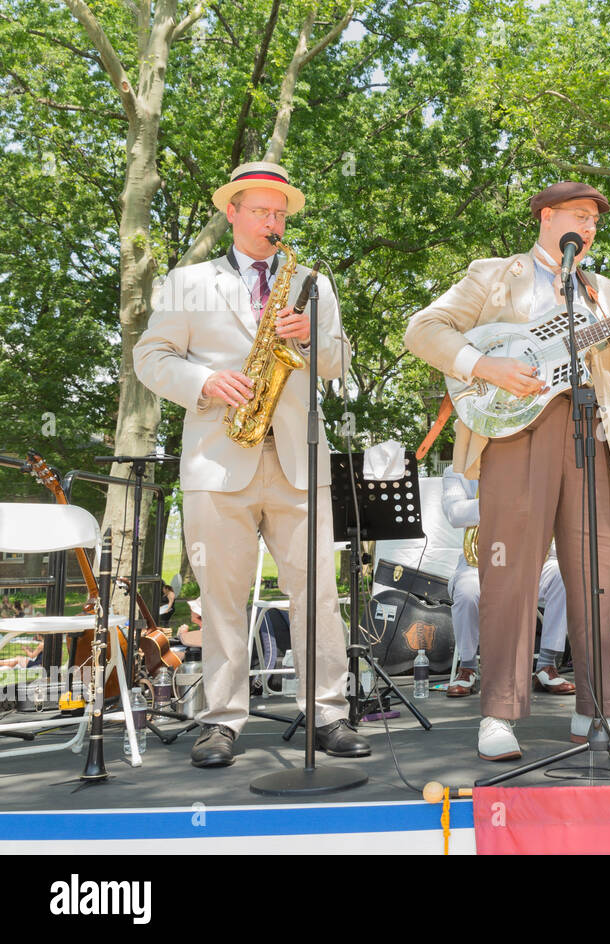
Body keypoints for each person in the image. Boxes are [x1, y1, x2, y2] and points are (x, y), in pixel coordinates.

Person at [405, 181, 610, 761]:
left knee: (596, 575)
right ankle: (499, 714)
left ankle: (598, 713)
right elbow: (423, 330)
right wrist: (486, 366)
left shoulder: (602, 289)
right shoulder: (493, 274)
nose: (588, 227)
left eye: (595, 221)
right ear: (546, 215)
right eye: (579, 215)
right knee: (509, 574)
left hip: (590, 434)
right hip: (514, 434)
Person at [134, 161, 369, 768]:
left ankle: (329, 714)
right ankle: (220, 721)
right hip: (219, 459)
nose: (272, 222)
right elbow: (150, 358)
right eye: (260, 211)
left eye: (280, 213)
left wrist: (310, 336)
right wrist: (206, 380)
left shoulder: (312, 282)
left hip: (298, 462)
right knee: (222, 598)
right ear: (232, 212)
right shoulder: (187, 281)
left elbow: (339, 360)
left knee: (317, 595)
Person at [440, 467, 575, 697]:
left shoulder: (531, 463)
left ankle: (546, 664)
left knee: (563, 576)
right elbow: (455, 514)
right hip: (480, 563)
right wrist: (500, 502)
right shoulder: (457, 470)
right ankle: (468, 667)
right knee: (466, 591)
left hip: (529, 560)